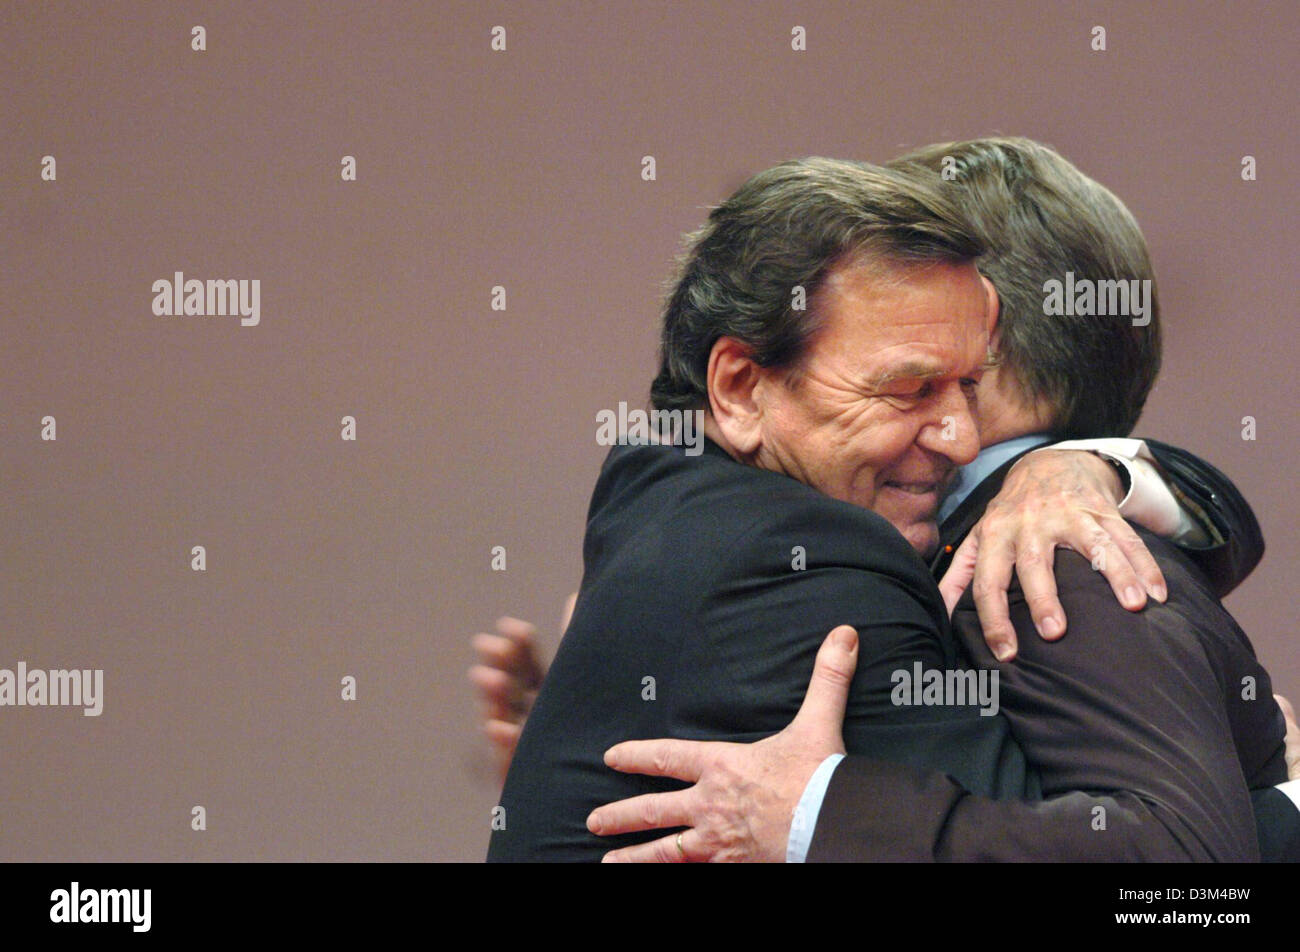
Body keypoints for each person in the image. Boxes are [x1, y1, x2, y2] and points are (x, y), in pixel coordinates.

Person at [482, 153, 1282, 862]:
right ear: (739, 386)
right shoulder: (823, 564)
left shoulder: (655, 478)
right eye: (910, 387)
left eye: (967, 385)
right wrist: (1282, 799)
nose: (960, 437)